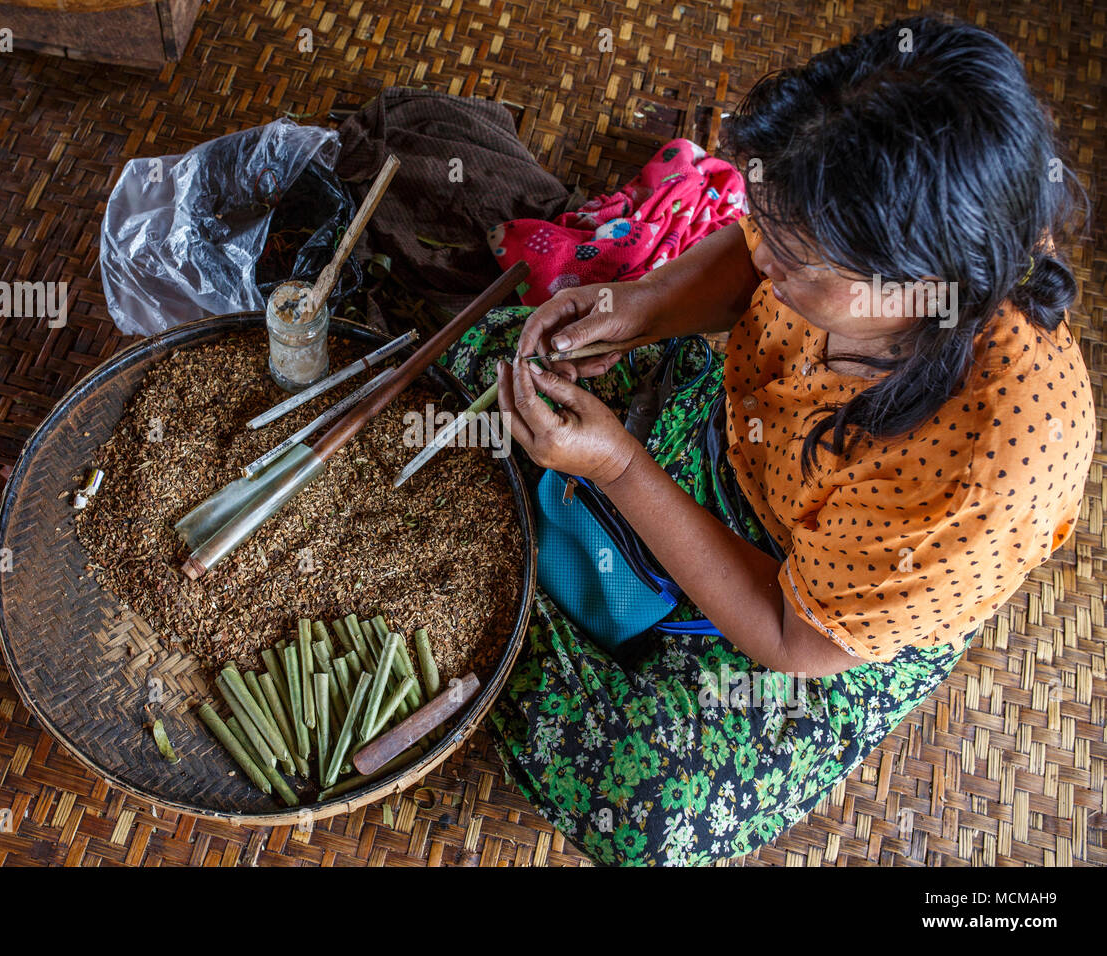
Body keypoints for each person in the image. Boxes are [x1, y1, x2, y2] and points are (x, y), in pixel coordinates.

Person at [439, 15, 1093, 865]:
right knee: (486, 363)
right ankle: (529, 588)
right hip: (746, 437)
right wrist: (638, 308)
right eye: (765, 224)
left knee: (648, 814)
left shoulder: (983, 473)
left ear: (914, 287)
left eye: (796, 259)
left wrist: (621, 467)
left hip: (827, 605)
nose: (767, 260)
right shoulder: (847, 204)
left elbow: (791, 633)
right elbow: (747, 258)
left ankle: (500, 611)